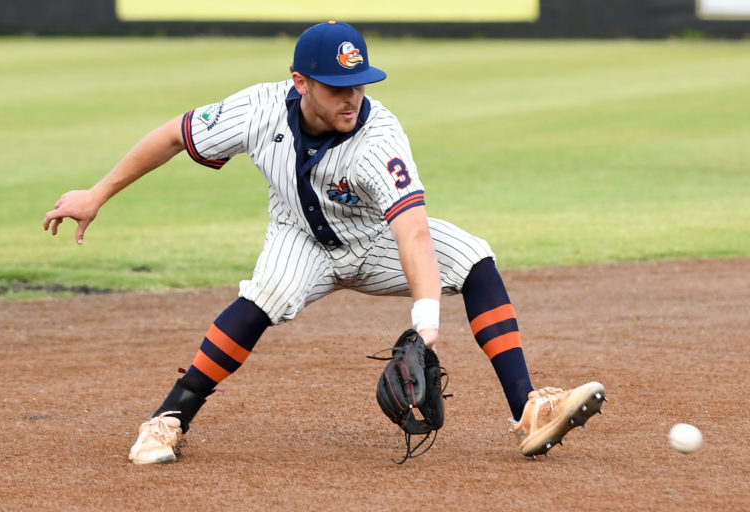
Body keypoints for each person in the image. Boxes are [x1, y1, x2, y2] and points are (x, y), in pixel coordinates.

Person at [43, 21, 606, 465]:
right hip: (298, 239)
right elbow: (173, 135)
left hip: (375, 239)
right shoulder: (258, 109)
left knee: (474, 258)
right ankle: (168, 419)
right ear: (301, 82)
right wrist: (98, 193)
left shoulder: (379, 138)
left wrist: (426, 319)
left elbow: (412, 229)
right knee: (263, 297)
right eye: (337, 87)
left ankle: (529, 409)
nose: (351, 97)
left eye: (359, 83)